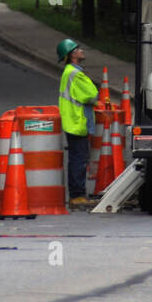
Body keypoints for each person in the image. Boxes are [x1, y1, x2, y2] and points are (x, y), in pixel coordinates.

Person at [57, 39, 99, 206]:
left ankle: (77, 194)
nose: (82, 50)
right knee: (79, 160)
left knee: (77, 158)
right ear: (72, 55)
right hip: (77, 122)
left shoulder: (71, 72)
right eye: (78, 49)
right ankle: (77, 195)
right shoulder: (74, 73)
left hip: (74, 121)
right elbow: (91, 94)